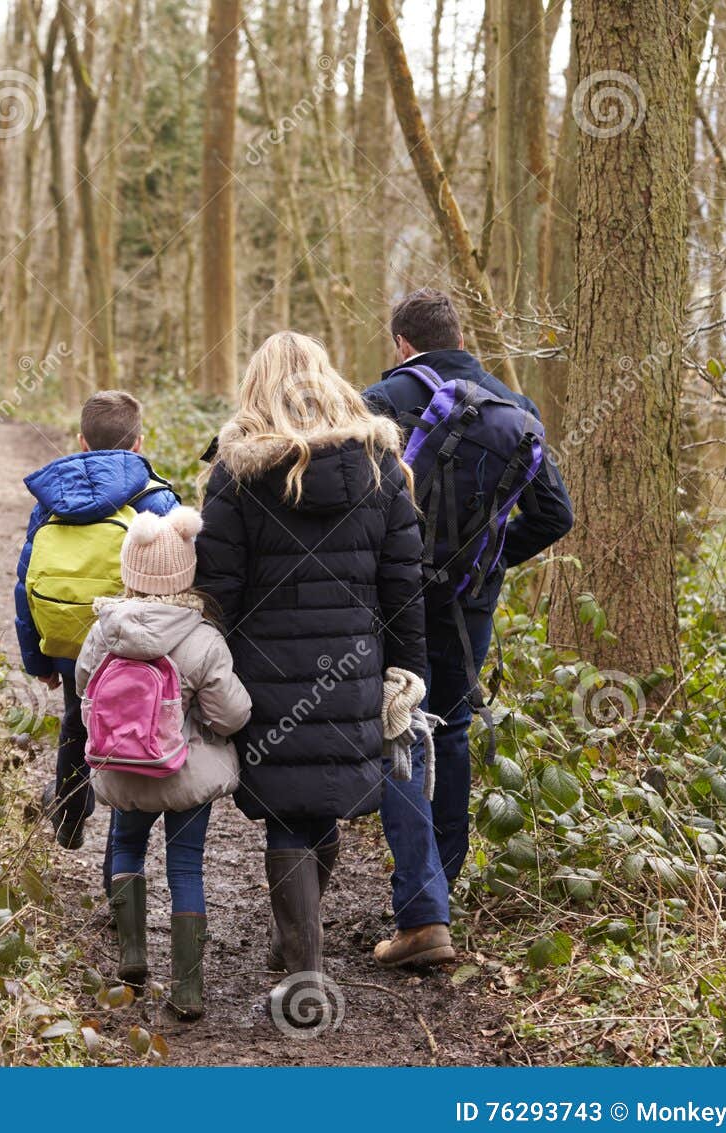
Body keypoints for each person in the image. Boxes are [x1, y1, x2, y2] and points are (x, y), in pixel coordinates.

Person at [194, 331, 435, 1017]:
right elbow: (404, 583)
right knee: (321, 800)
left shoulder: (237, 471)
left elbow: (218, 584)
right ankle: (297, 936)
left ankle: (303, 962)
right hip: (351, 666)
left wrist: (206, 667)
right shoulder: (382, 464)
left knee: (286, 813)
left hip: (265, 669)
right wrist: (407, 670)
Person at [362, 288, 574, 964]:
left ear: (402, 343)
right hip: (467, 607)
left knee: (398, 729)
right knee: (449, 731)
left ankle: (421, 906)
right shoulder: (515, 409)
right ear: (458, 335)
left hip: (391, 603)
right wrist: (487, 560)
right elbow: (555, 515)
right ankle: (439, 891)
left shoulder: (380, 400)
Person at [76, 505, 252, 1019]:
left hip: (123, 767)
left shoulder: (104, 631)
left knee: (127, 848)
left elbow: (87, 689)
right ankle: (189, 989)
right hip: (183, 774)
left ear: (128, 572)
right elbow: (232, 714)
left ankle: (132, 956)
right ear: (188, 572)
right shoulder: (203, 639)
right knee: (185, 865)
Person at [15, 390, 178, 852]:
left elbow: (26, 579)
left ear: (82, 441)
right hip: (135, 645)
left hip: (70, 640)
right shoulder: (156, 499)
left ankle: (68, 814)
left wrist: (38, 658)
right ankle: (120, 854)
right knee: (132, 731)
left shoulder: (53, 497)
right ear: (139, 443)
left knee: (75, 720)